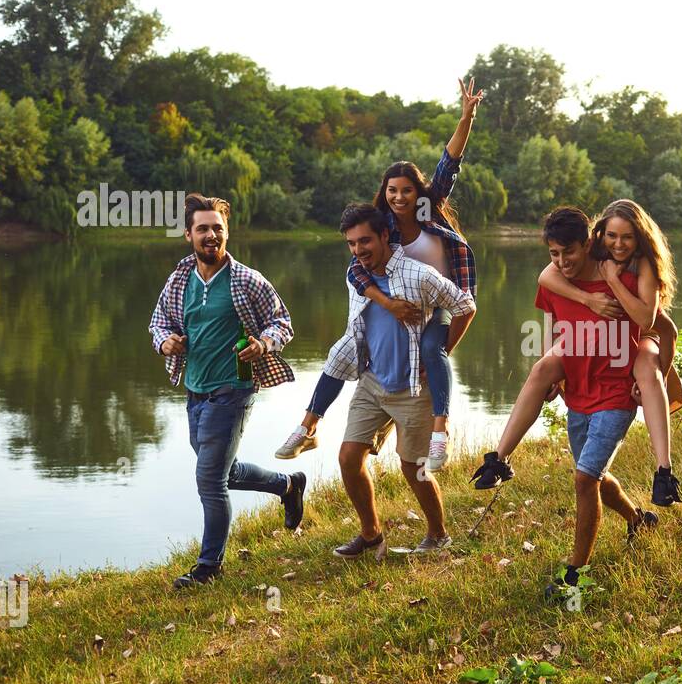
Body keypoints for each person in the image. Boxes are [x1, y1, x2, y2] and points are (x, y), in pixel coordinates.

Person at [275, 77, 483, 471]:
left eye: (406, 190)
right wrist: (386, 302)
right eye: (392, 191)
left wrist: (466, 116)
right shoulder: (381, 225)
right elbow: (357, 269)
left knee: (430, 353)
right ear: (384, 193)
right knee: (345, 352)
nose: (399, 197)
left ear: (418, 193)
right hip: (394, 301)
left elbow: (448, 165)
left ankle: (441, 432)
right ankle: (311, 427)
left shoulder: (429, 212)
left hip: (435, 301)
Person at [470, 199, 682, 507]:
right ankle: (499, 459)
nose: (618, 244)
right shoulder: (587, 254)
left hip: (642, 331)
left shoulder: (641, 264)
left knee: (647, 371)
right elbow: (546, 280)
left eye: (627, 237)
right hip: (598, 337)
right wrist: (589, 300)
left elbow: (655, 325)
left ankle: (664, 472)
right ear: (598, 237)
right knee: (542, 369)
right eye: (612, 236)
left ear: (639, 238)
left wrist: (611, 281)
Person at [147, 194, 305, 590]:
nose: (211, 235)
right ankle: (288, 486)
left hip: (233, 390)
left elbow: (281, 321)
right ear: (189, 235)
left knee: (209, 480)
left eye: (217, 228)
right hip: (195, 392)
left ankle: (209, 566)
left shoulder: (246, 280)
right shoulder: (179, 281)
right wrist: (166, 342)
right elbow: (158, 322)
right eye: (203, 228)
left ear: (227, 232)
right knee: (224, 472)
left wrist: (264, 344)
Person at [517, 207, 659, 604]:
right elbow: (554, 320)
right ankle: (638, 519)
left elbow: (655, 325)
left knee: (584, 478)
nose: (561, 261)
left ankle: (574, 572)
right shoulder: (560, 275)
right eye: (554, 253)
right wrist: (554, 366)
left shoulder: (628, 272)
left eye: (568, 252)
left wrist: (647, 371)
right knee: (593, 475)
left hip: (616, 392)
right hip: (578, 391)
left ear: (586, 244)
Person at [322, 203, 476, 558]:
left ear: (385, 236)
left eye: (365, 241)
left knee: (413, 467)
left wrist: (441, 352)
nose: (358, 250)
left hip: (413, 387)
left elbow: (465, 306)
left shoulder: (419, 275)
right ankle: (371, 534)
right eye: (351, 244)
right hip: (373, 381)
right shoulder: (356, 276)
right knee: (348, 456)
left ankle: (438, 535)